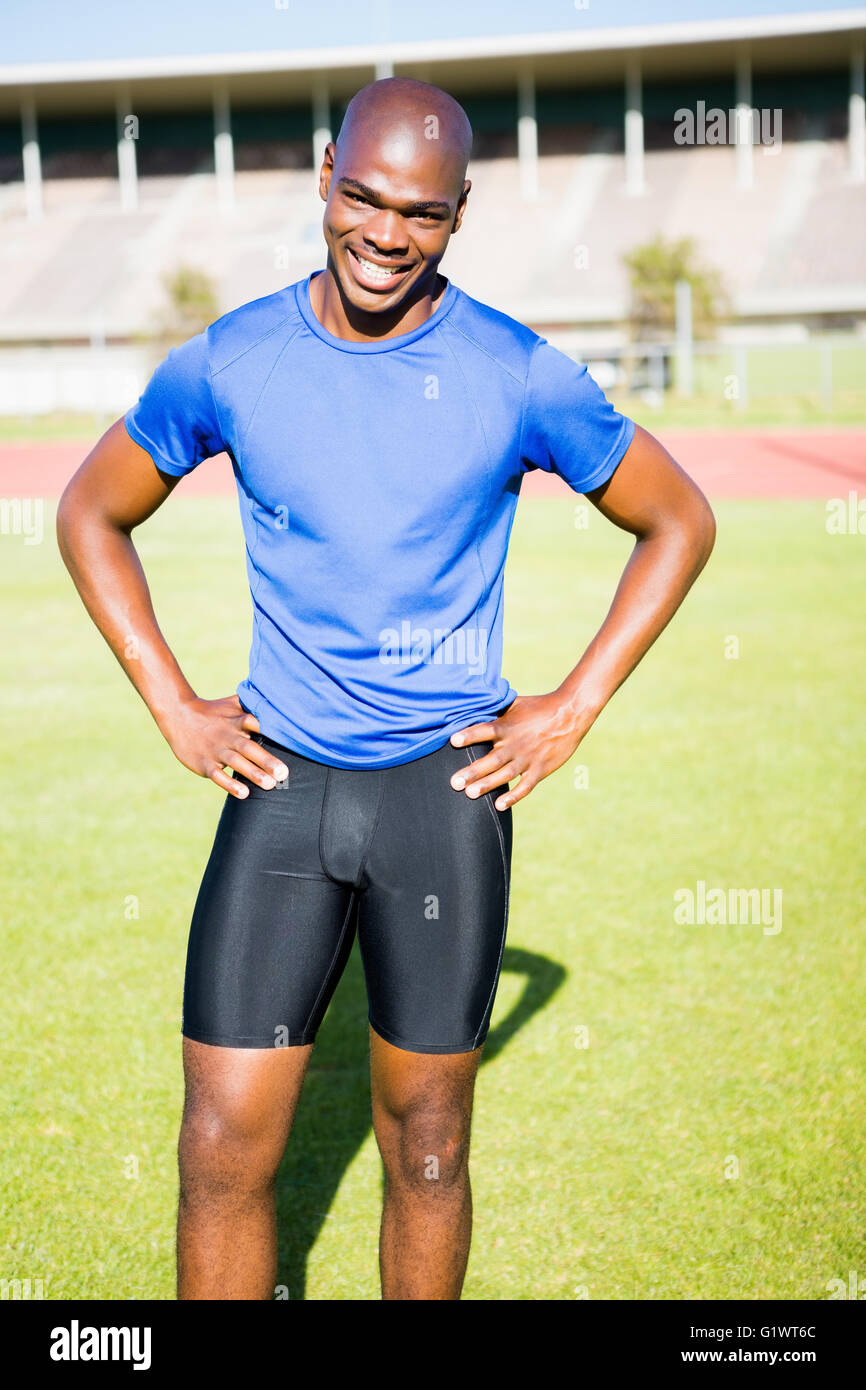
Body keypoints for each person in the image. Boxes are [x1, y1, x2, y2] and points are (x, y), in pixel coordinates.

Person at [56, 77, 715, 1300]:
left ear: (457, 213)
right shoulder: (237, 356)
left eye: (418, 210)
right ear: (324, 178)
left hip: (443, 798)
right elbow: (91, 510)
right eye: (361, 196)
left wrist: (569, 706)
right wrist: (172, 702)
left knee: (424, 1152)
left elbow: (677, 519)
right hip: (282, 787)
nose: (383, 232)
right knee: (219, 1146)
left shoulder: (515, 371)